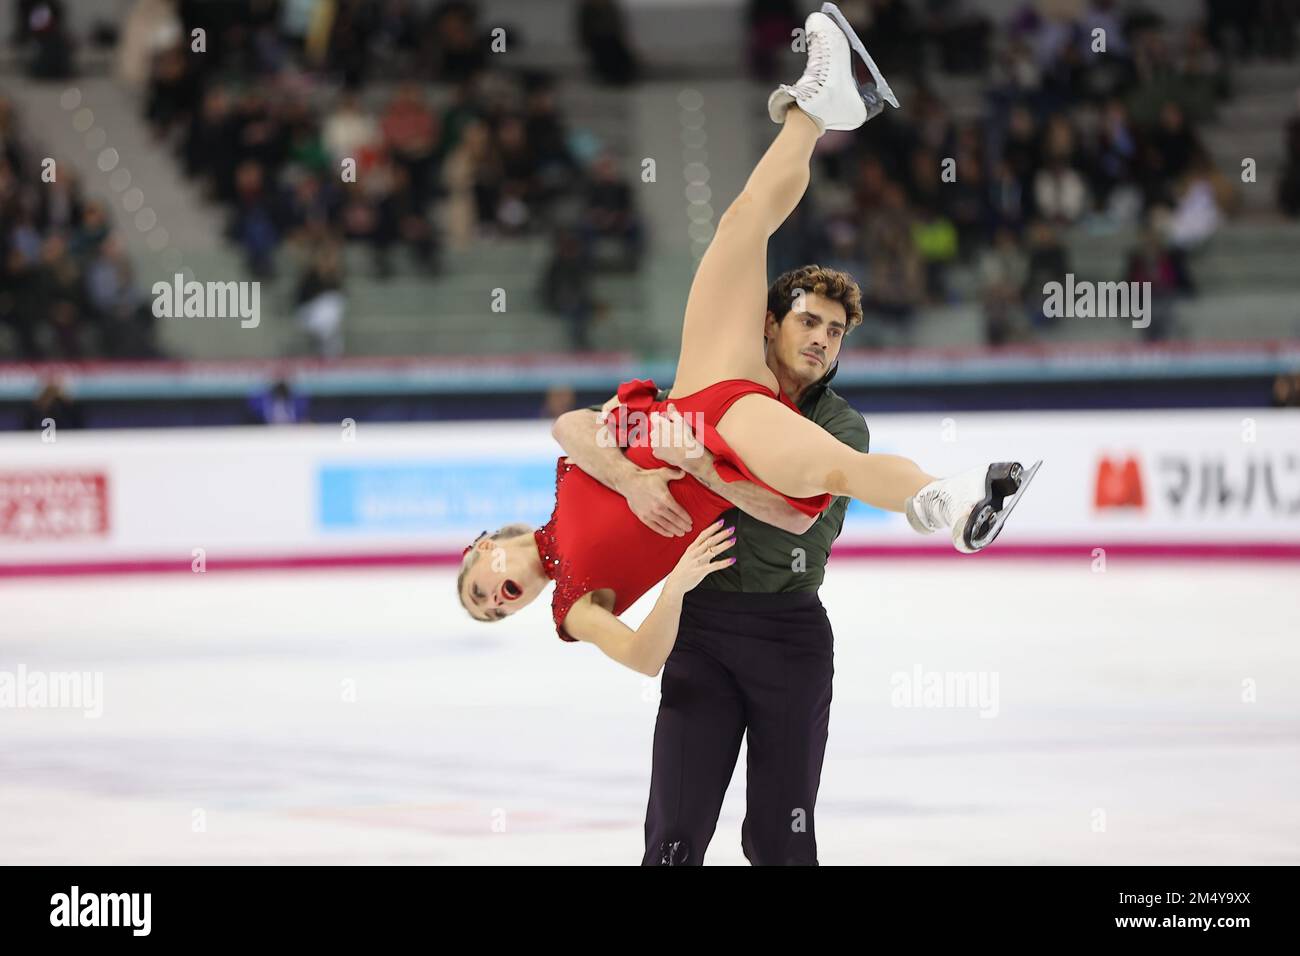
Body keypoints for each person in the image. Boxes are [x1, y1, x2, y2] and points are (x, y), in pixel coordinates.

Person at [456, 5, 1037, 678]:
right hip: (729, 440)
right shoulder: (575, 606)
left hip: (701, 384)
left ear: (482, 547)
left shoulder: (569, 478)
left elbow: (568, 425)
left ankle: (820, 106)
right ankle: (945, 497)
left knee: (738, 224)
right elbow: (645, 659)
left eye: (480, 589)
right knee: (833, 467)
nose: (498, 600)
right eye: (495, 612)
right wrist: (677, 578)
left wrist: (635, 479)